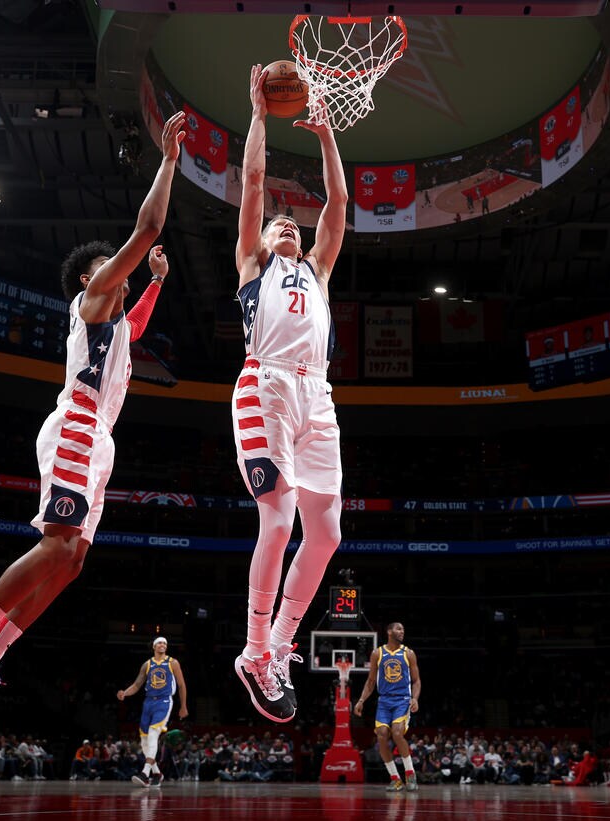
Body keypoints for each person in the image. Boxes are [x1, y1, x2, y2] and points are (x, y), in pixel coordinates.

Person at [0, 110, 187, 736]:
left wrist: (155, 286)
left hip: (101, 440)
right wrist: (169, 161)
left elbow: (136, 325)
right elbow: (149, 228)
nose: (121, 274)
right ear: (93, 278)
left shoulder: (116, 326)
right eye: (113, 267)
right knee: (56, 544)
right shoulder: (89, 302)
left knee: (71, 563)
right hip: (77, 423)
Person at [231, 64, 347, 723]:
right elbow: (253, 182)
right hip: (266, 383)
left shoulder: (319, 271)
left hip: (317, 396)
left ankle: (278, 645)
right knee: (277, 522)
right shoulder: (254, 265)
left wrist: (327, 135)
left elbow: (337, 205)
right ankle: (252, 652)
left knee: (325, 534)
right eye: (279, 225)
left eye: (292, 225)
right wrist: (257, 114)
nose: (287, 226)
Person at [353, 622, 421, 792]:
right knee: (382, 735)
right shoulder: (378, 653)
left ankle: (410, 774)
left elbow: (416, 681)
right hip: (384, 701)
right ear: (389, 632)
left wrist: (415, 698)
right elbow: (370, 681)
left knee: (397, 733)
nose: (402, 631)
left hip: (402, 700)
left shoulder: (408, 653)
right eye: (399, 629)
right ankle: (395, 779)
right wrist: (361, 700)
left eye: (403, 629)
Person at [116, 636, 188, 786]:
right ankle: (157, 773)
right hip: (148, 702)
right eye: (160, 642)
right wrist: (125, 693)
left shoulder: (173, 663)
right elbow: (136, 685)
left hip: (164, 701)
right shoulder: (147, 664)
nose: (162, 645)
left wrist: (183, 706)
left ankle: (145, 773)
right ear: (154, 646)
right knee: (144, 742)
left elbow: (181, 685)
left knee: (153, 733)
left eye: (165, 643)